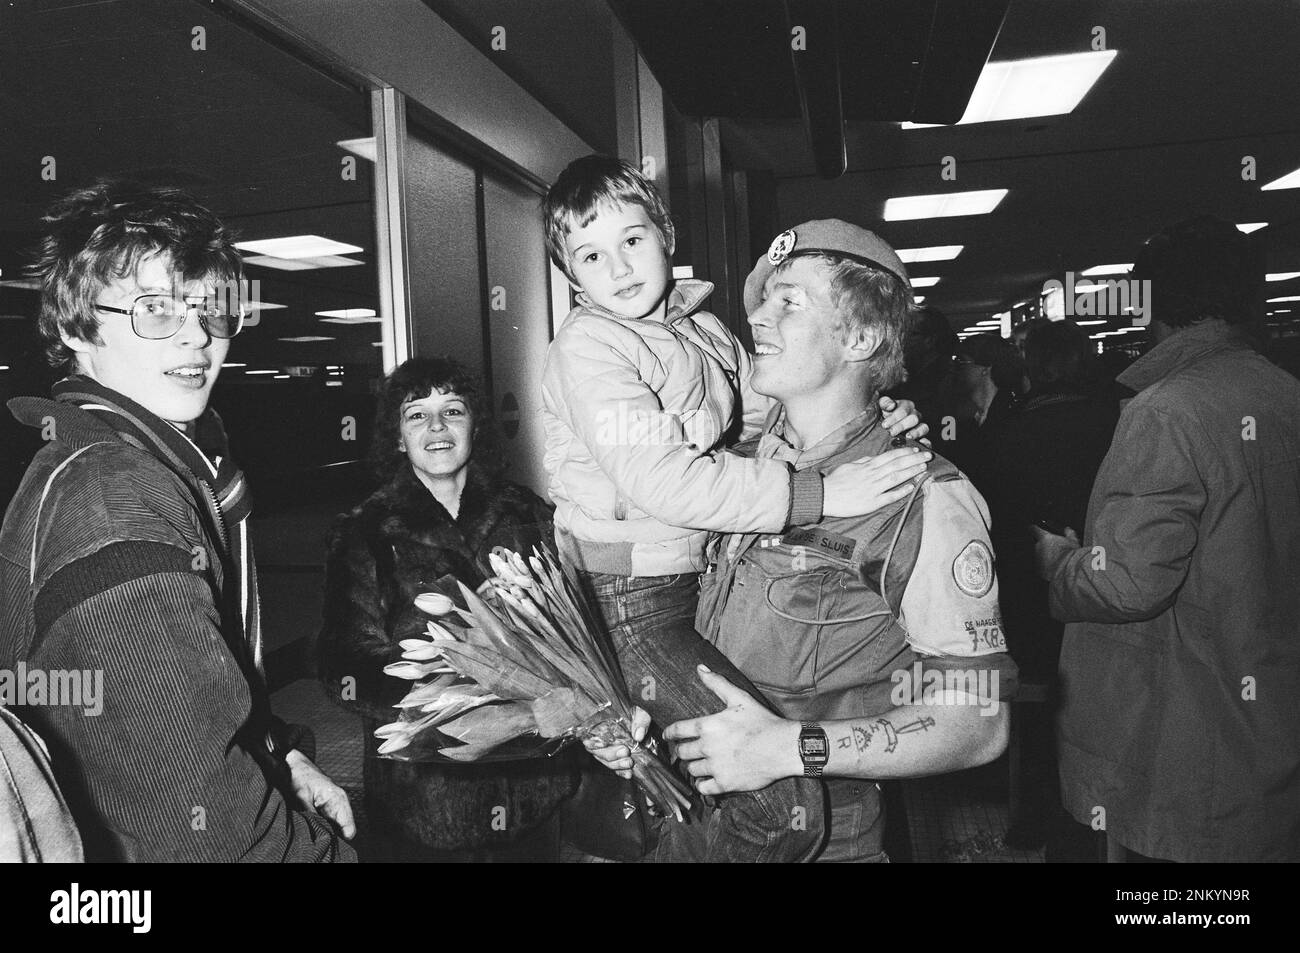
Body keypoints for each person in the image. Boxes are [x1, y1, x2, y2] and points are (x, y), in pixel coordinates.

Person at [541, 157, 930, 862]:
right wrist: (818, 494)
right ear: (571, 277)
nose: (619, 267)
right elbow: (662, 480)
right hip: (630, 599)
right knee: (784, 809)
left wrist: (881, 412)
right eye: (590, 255)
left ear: (666, 233)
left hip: (689, 582)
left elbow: (784, 408)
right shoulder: (588, 346)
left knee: (705, 791)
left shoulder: (704, 331)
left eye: (632, 240)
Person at [592, 220, 1017, 863]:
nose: (758, 317)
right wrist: (628, 718)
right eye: (762, 299)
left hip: (816, 834)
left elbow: (978, 723)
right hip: (687, 816)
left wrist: (788, 748)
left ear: (862, 337)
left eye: (788, 300)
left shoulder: (923, 498)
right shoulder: (731, 470)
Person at [0, 180, 354, 862]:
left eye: (209, 307)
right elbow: (215, 830)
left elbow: (187, 710)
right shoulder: (118, 500)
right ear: (77, 328)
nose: (196, 333)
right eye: (156, 309)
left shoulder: (111, 460)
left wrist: (278, 754)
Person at [1033, 215, 1300, 862]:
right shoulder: (1286, 395)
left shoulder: (1167, 411)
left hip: (1184, 740)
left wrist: (1059, 560)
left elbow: (1127, 581)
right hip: (1269, 722)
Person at [318, 357, 579, 861]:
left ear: (474, 427)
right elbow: (343, 665)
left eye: (452, 410)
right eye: (417, 415)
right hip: (429, 793)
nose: (437, 427)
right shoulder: (364, 531)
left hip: (534, 779)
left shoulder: (526, 513)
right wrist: (454, 697)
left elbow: (570, 622)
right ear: (397, 438)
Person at [983, 319, 1118, 852]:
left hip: (1031, 587)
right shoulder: (1120, 419)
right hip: (1104, 581)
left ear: (1034, 366)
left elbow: (993, 517)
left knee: (1038, 703)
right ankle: (1099, 817)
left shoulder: (1012, 431)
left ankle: (1037, 812)